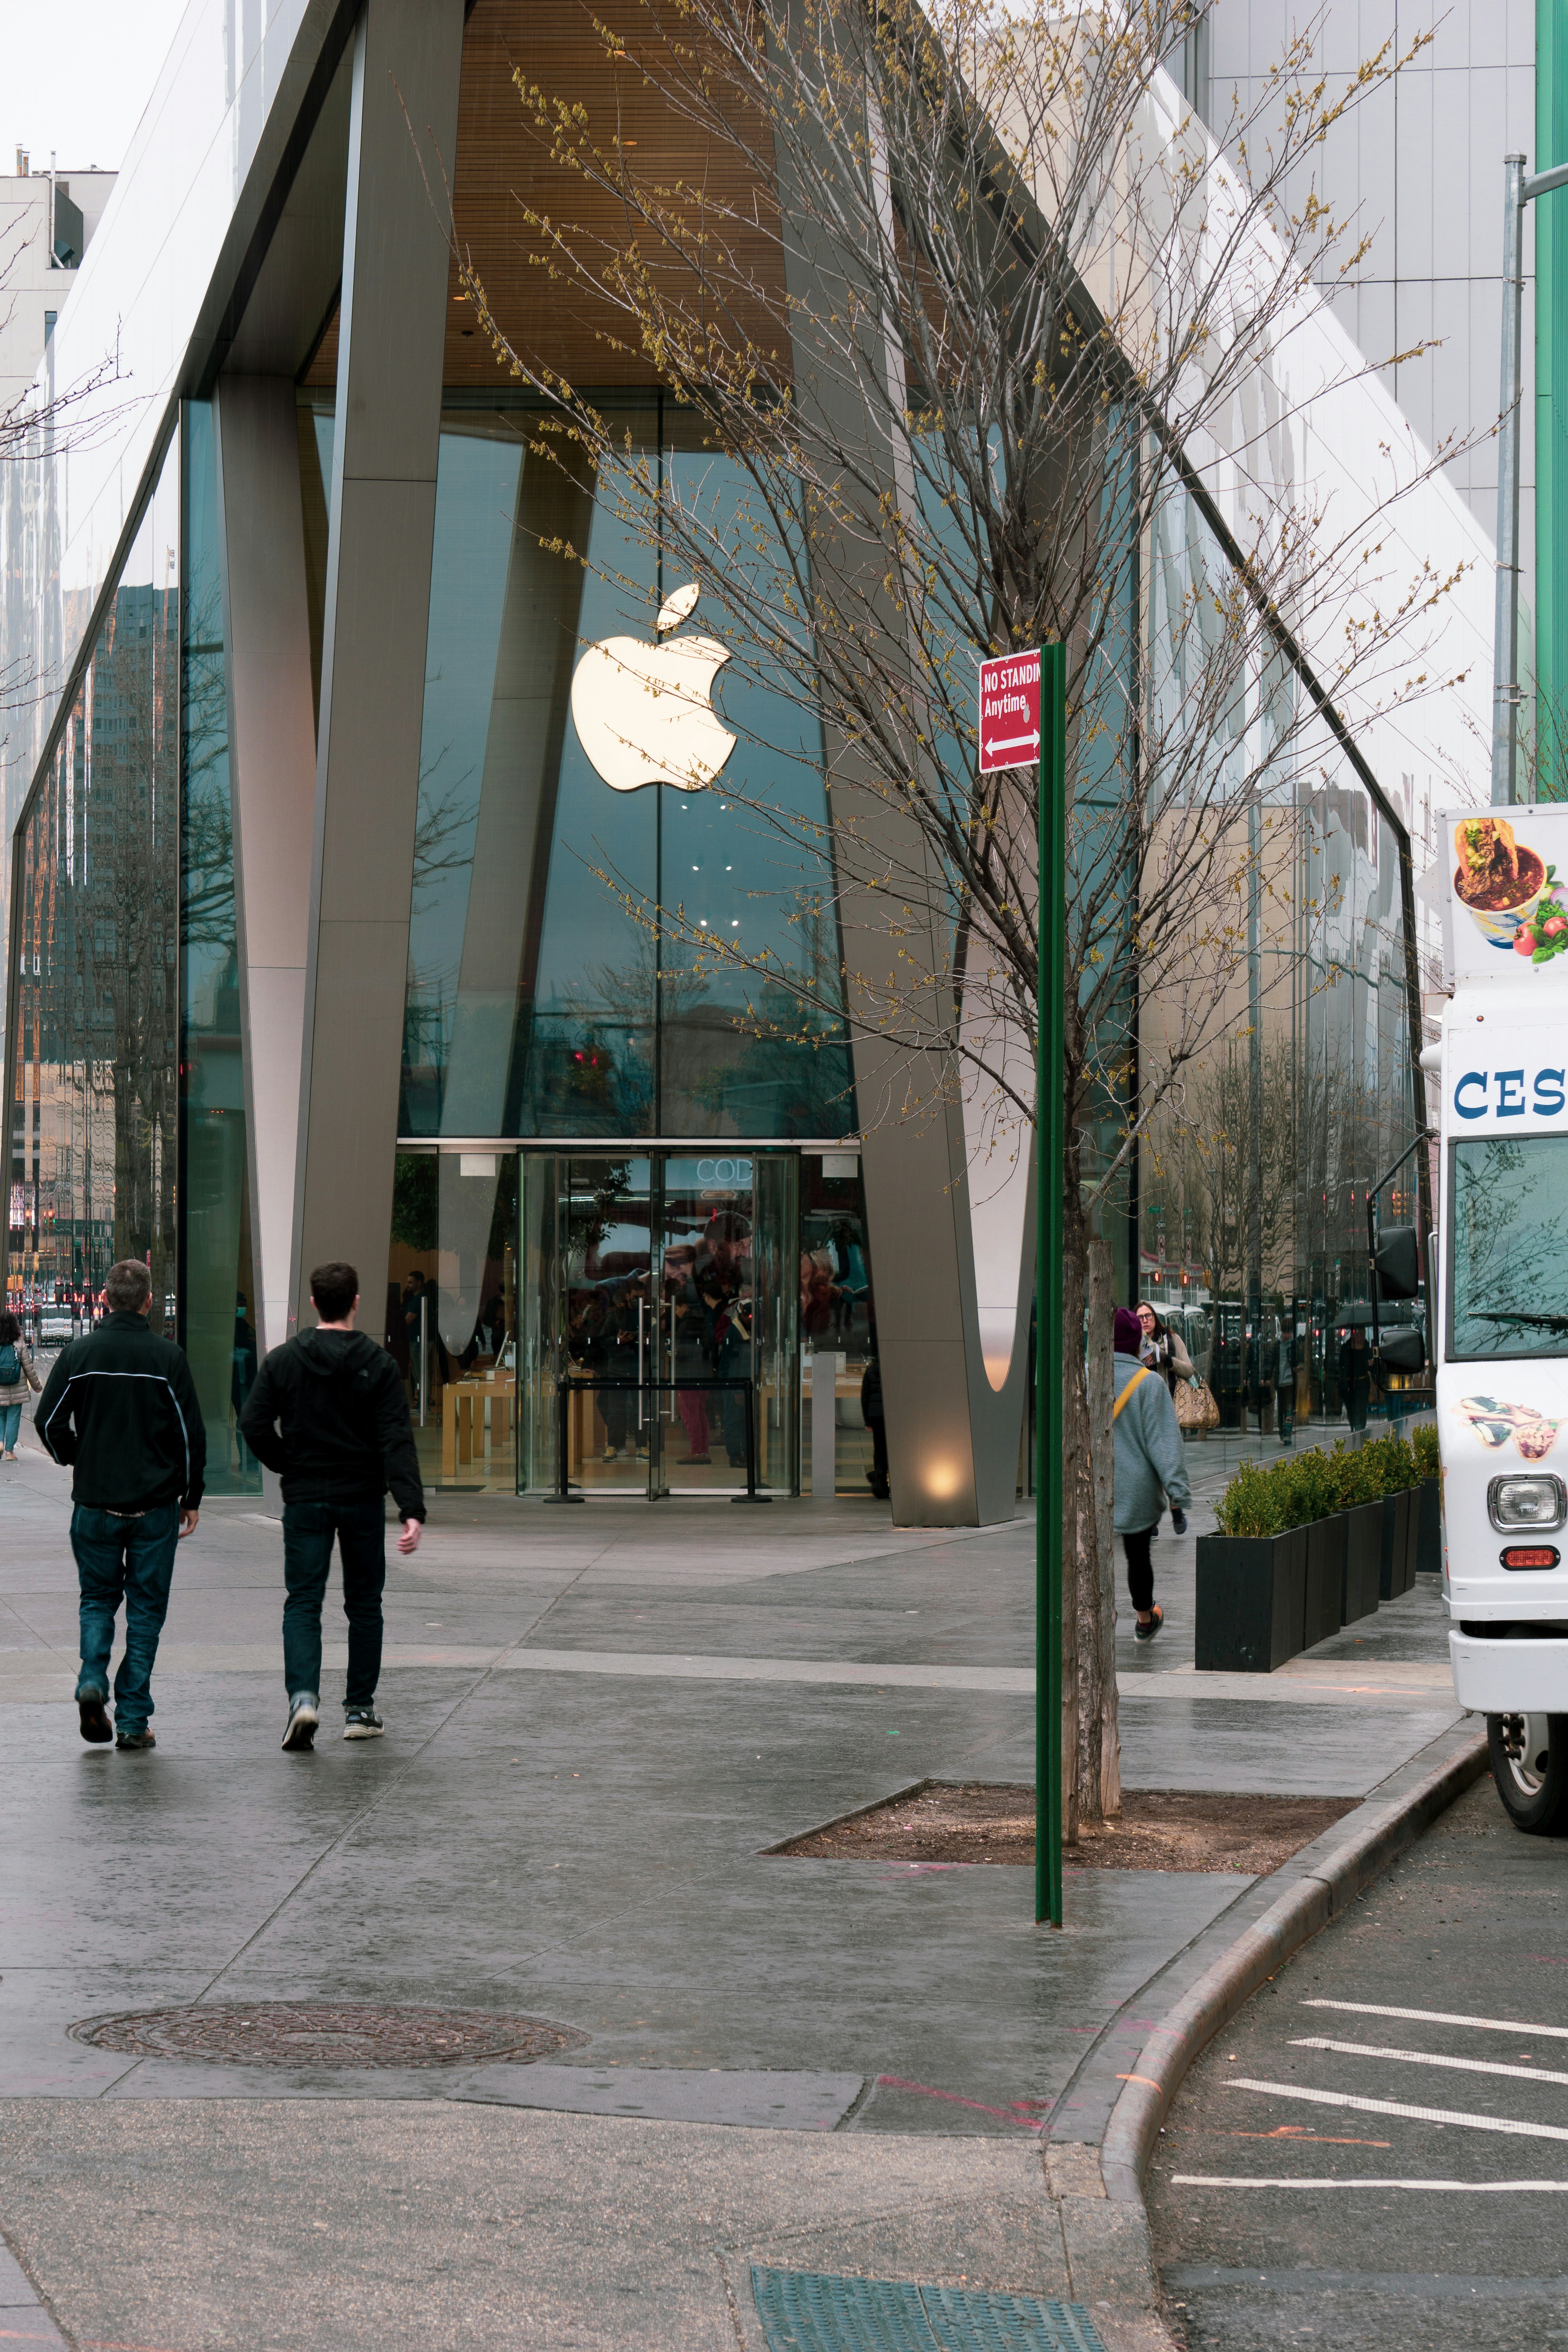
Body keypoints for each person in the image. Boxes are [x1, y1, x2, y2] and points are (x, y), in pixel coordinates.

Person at [240, 1260, 425, 1752]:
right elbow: (396, 1440)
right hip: (362, 1498)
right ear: (356, 1302)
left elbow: (254, 1424)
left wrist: (289, 1464)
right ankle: (360, 1709)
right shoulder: (380, 1365)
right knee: (365, 1604)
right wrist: (411, 1508)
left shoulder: (283, 1360)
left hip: (305, 1499)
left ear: (315, 1303)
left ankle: (303, 1697)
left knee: (303, 1601)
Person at [36, 1259, 205, 1751]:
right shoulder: (168, 1358)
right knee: (147, 1613)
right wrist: (190, 1497)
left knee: (97, 1600)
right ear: (149, 1302)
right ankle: (133, 1720)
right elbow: (190, 1436)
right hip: (154, 1507)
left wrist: (77, 1458)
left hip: (95, 1503)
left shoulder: (80, 1353)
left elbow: (48, 1423)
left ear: (105, 1300)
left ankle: (93, 1680)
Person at [1112, 1305, 1191, 1642]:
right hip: (1136, 1489)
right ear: (1137, 1344)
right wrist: (1178, 1492)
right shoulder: (1149, 1384)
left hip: (1089, 1486)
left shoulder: (1081, 1378)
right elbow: (1165, 1444)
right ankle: (1145, 1619)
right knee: (1137, 1555)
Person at [0, 1310, 42, 1460]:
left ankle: (0, 1443)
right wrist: (36, 1385)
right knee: (13, 1418)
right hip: (17, 1387)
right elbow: (28, 1367)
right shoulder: (20, 1344)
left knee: (1, 1416)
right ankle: (10, 1452)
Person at [1136, 1300, 1194, 1391]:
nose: (1145, 1321)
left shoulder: (1172, 1339)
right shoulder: (1132, 1344)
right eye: (1140, 1317)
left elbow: (1189, 1371)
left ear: (1155, 1317)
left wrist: (1165, 1358)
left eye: (1148, 1316)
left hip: (1168, 1401)